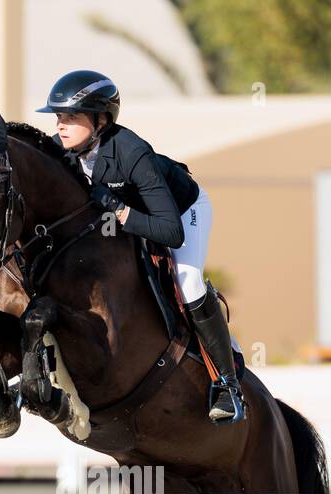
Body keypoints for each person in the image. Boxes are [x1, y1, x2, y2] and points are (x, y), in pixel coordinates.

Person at [38, 70, 243, 422]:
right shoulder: (62, 153)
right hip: (127, 221)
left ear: (101, 119)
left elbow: (170, 232)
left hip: (182, 213)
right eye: (59, 117)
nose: (61, 125)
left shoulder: (133, 152)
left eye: (71, 117)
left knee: (188, 282)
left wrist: (117, 208)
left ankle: (228, 383)